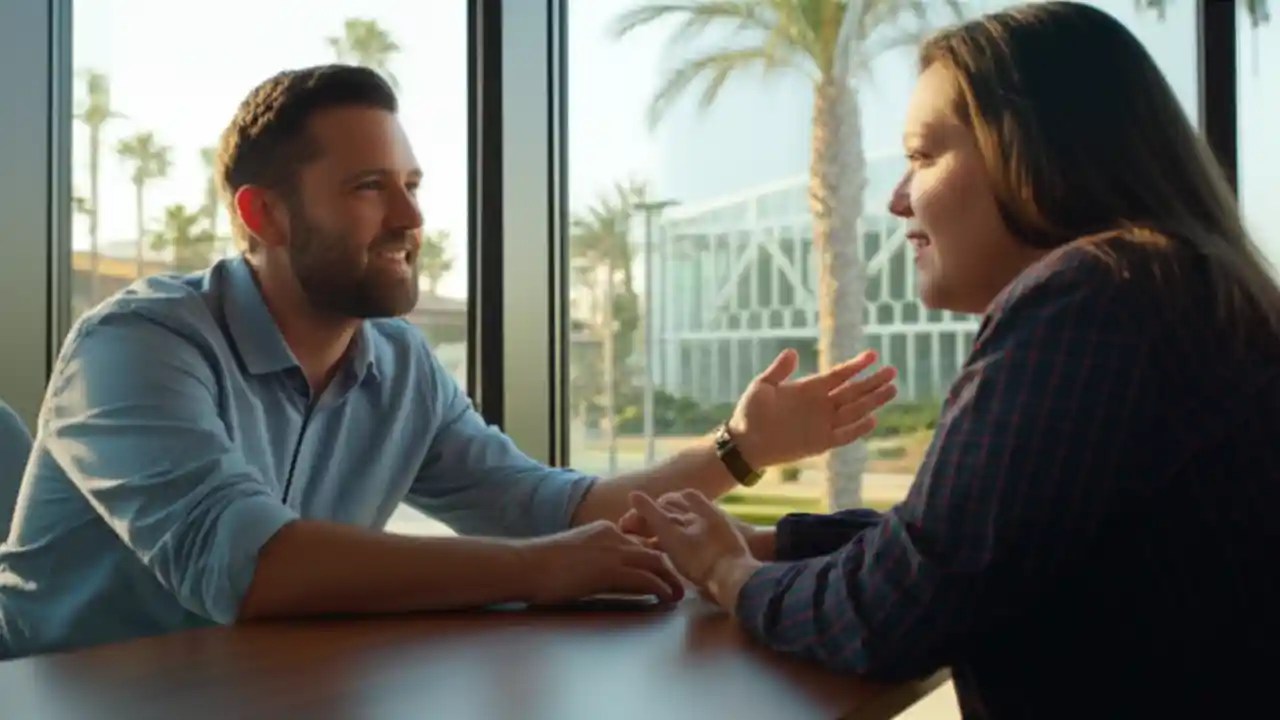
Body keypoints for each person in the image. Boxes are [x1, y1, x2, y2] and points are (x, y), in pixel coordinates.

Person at [0, 64, 898, 659]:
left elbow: (548, 506)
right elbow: (247, 567)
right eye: (368, 188)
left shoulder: (397, 363)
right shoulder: (138, 345)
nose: (410, 219)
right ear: (263, 215)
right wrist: (540, 567)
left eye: (412, 185)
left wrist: (737, 449)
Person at [623, 3, 1280, 718]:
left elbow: (894, 609)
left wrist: (729, 573)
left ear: (1033, 151)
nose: (898, 200)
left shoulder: (1094, 296)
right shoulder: (1182, 292)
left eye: (922, 156)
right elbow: (965, 535)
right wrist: (771, 541)